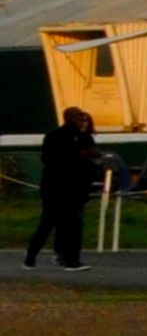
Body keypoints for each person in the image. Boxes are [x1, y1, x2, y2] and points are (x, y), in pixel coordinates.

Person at [25, 110, 102, 270]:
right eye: (78, 118)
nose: (82, 121)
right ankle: (32, 255)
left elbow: (91, 160)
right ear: (68, 118)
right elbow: (49, 160)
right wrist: (79, 155)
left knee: (73, 224)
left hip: (75, 187)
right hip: (56, 187)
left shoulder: (84, 138)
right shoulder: (55, 136)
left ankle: (71, 259)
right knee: (49, 223)